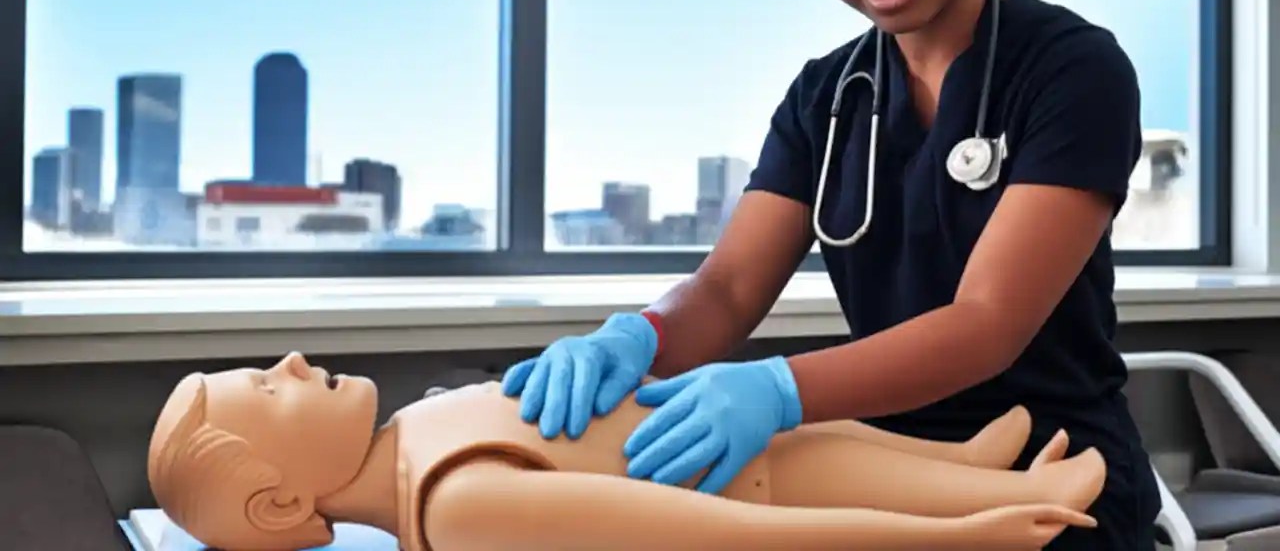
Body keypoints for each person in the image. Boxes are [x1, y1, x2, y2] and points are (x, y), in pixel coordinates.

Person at [501, 0, 1160, 548]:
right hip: (883, 473)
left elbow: (987, 323)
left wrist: (780, 390)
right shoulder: (826, 97)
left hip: (1055, 474)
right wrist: (639, 333)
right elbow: (725, 290)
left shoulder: (1072, 70)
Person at [147, 351, 1106, 551]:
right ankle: (966, 498)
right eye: (266, 391)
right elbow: (707, 532)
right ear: (279, 505)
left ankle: (969, 463)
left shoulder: (415, 434)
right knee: (866, 476)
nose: (293, 361)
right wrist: (959, 539)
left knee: (832, 425)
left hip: (737, 430)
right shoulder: (455, 504)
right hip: (752, 484)